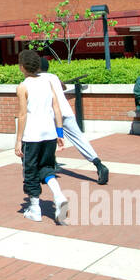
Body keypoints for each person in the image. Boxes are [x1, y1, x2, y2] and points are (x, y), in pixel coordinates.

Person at [38, 56, 108, 185]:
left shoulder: (37, 79)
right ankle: (98, 164)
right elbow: (62, 87)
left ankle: (47, 168)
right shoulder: (54, 77)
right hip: (67, 111)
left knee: (45, 140)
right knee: (79, 139)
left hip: (52, 114)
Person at [16, 50, 68, 223]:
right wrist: (60, 132)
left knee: (30, 171)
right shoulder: (47, 83)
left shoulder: (23, 87)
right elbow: (57, 108)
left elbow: (22, 115)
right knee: (46, 168)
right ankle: (58, 195)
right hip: (50, 133)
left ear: (22, 67)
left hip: (31, 136)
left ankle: (35, 209)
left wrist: (18, 141)